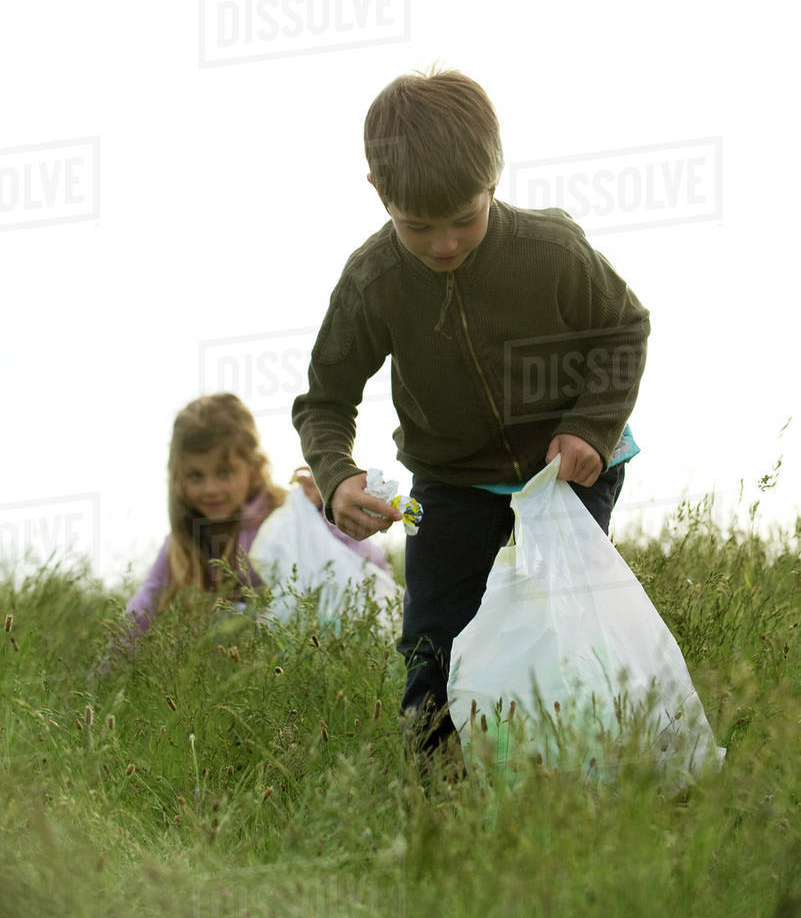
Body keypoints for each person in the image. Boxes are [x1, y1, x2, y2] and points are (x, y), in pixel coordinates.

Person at [292, 68, 650, 761]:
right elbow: (325, 397)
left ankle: (571, 779)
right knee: (435, 638)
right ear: (378, 194)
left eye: (464, 218)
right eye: (417, 226)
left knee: (555, 627)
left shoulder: (550, 251)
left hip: (567, 472)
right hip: (449, 482)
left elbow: (624, 327)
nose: (444, 244)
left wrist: (590, 426)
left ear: (494, 178)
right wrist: (337, 478)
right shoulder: (373, 282)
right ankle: (438, 795)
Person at [125, 393, 388, 637]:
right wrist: (103, 677)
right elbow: (144, 606)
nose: (210, 489)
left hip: (324, 643)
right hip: (255, 663)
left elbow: (369, 564)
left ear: (252, 467)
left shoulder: (287, 516)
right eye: (196, 476)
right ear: (178, 477)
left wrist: (321, 514)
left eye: (224, 473)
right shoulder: (186, 540)